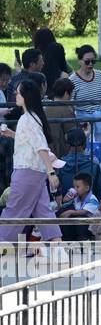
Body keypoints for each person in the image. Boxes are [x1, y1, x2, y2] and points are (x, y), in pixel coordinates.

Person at [0, 81, 64, 249]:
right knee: (43, 211)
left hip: (26, 172)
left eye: (19, 93)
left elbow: (40, 146)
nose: (16, 95)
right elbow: (32, 142)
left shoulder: (27, 119)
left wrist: (51, 172)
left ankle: (2, 244)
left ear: (27, 96)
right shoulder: (32, 118)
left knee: (14, 210)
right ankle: (58, 247)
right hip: (35, 172)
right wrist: (13, 134)